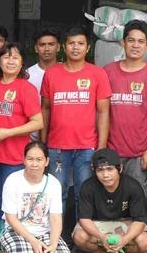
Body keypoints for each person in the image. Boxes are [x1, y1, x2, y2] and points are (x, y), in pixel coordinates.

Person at [40, 25, 111, 218]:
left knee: (84, 193)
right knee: (56, 194)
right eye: (71, 43)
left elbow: (103, 112)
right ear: (64, 46)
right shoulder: (52, 73)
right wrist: (43, 142)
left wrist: (101, 146)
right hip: (57, 146)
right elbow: (45, 108)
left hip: (87, 147)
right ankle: (57, 238)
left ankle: (82, 238)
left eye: (81, 43)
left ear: (88, 48)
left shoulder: (97, 74)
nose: (76, 47)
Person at [103, 19, 147, 200]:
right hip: (112, 151)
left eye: (141, 42)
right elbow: (101, 112)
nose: (135, 45)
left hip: (139, 154)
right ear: (122, 43)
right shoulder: (108, 72)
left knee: (135, 199)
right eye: (131, 40)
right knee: (111, 199)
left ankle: (139, 229)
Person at [0, 43, 43, 227]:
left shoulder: (26, 88)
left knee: (14, 199)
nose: (11, 61)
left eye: (15, 57)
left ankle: (15, 238)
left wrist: (8, 133)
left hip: (15, 156)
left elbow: (38, 122)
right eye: (6, 56)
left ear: (22, 63)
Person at [73, 148, 147, 253]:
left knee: (144, 241)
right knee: (79, 237)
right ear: (94, 171)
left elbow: (140, 220)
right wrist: (102, 237)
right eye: (100, 170)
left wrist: (124, 239)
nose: (105, 175)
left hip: (123, 221)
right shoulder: (88, 186)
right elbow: (84, 219)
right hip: (98, 223)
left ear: (119, 169)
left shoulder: (132, 186)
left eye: (110, 169)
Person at [0, 141, 71, 253]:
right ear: (24, 160)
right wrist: (33, 241)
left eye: (39, 159)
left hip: (43, 231)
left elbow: (56, 217)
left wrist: (53, 243)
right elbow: (11, 217)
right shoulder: (13, 180)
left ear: (46, 161)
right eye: (30, 159)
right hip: (17, 230)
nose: (34, 164)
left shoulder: (53, 183)